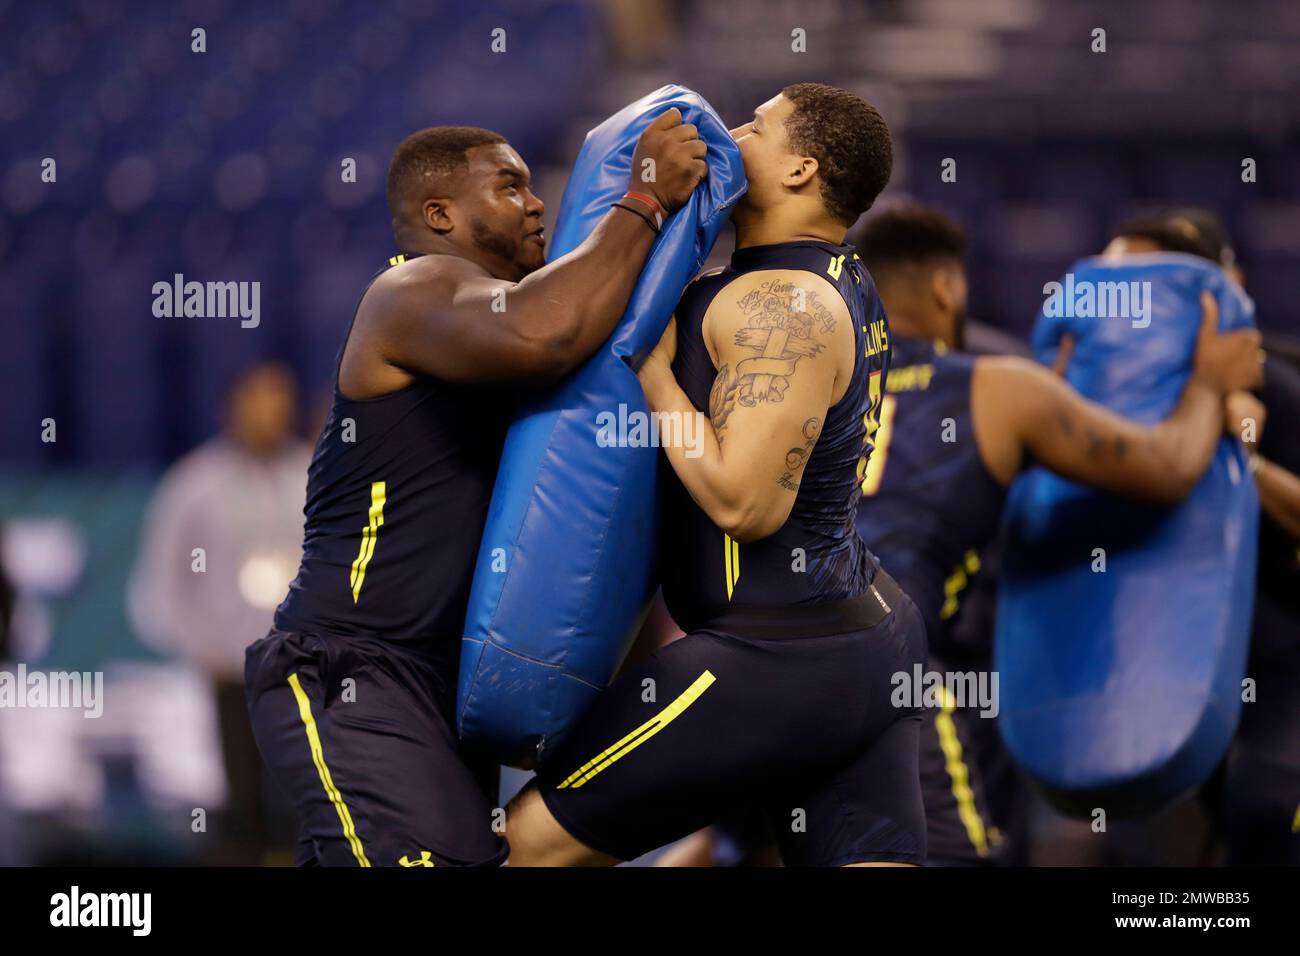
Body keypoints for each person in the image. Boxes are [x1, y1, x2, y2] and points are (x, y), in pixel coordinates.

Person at [244, 116, 707, 866]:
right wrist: (643, 204)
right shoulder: (409, 289)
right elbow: (540, 333)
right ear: (439, 216)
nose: (535, 205)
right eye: (509, 185)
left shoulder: (488, 324)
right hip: (351, 670)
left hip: (437, 692)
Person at [506, 83, 930, 867]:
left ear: (801, 169)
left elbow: (744, 504)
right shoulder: (834, 278)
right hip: (862, 640)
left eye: (756, 125)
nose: (731, 133)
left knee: (525, 845)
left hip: (775, 655)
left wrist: (657, 376)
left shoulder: (786, 303)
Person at [849, 205, 1263, 864]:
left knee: (753, 841)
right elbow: (1168, 467)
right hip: (888, 664)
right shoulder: (995, 384)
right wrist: (1211, 384)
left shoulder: (814, 386)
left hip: (761, 660)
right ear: (946, 289)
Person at [129, 361, 310, 864]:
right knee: (239, 802)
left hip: (300, 668)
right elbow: (160, 584)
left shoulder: (312, 474)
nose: (270, 415)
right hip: (228, 670)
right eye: (258, 401)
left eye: (279, 402)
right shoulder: (193, 486)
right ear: (232, 408)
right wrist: (199, 648)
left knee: (305, 797)